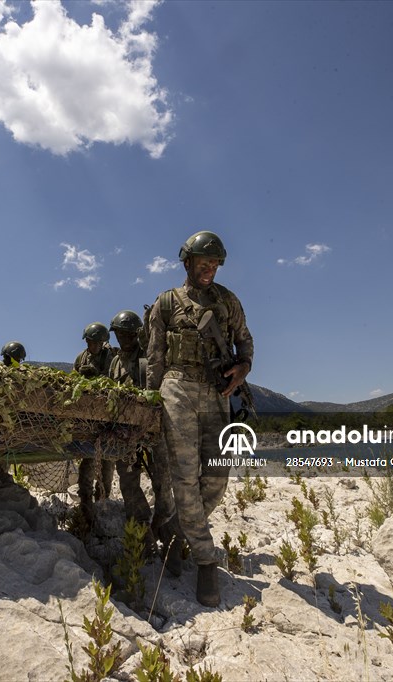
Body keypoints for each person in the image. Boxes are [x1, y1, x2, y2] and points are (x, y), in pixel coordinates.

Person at [145, 230, 253, 607]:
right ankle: (206, 559)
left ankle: (176, 531)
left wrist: (242, 369)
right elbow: (155, 356)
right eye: (203, 263)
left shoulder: (227, 301)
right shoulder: (166, 302)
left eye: (215, 264)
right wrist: (150, 402)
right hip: (176, 390)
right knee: (185, 477)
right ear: (187, 262)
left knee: (217, 478)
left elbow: (245, 341)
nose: (209, 269)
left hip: (217, 394)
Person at [107, 310, 178, 564]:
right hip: (125, 433)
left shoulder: (147, 358)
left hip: (152, 430)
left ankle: (166, 528)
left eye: (127, 334)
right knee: (128, 482)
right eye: (119, 334)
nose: (123, 339)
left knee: (162, 482)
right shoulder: (115, 362)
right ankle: (141, 532)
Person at [73, 322, 116, 520]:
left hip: (108, 416)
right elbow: (73, 381)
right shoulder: (81, 358)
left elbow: (115, 383)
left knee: (107, 462)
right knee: (87, 461)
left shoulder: (111, 357)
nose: (93, 346)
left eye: (96, 343)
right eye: (90, 342)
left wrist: (98, 377)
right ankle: (85, 503)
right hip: (87, 417)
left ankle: (102, 501)